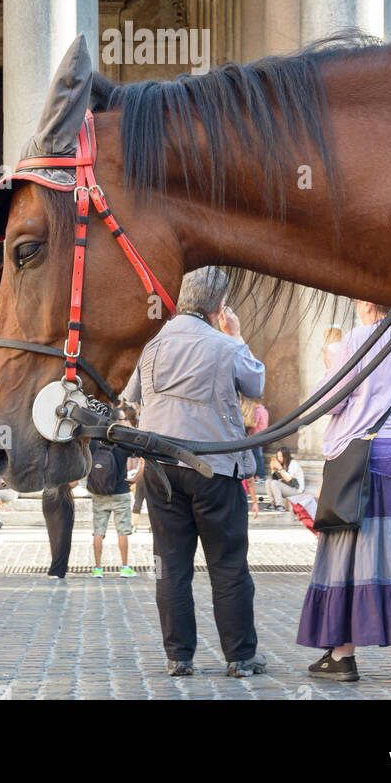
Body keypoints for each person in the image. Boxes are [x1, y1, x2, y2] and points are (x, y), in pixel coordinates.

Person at [125, 266, 266, 679]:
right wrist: (236, 334)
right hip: (214, 468)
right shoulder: (224, 345)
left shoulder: (152, 346)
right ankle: (240, 656)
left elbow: (134, 398)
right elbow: (255, 385)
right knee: (227, 564)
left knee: (169, 565)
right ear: (219, 306)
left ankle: (178, 656)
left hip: (161, 469)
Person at [297, 300, 391, 684]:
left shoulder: (358, 340)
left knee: (352, 551)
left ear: (364, 304)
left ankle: (342, 655)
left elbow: (330, 400)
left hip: (366, 461)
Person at [86, 427, 137, 579]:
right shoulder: (122, 442)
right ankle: (124, 567)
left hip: (99, 492)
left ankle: (98, 569)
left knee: (98, 531)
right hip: (121, 491)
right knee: (122, 532)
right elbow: (142, 458)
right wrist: (137, 478)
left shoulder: (93, 443)